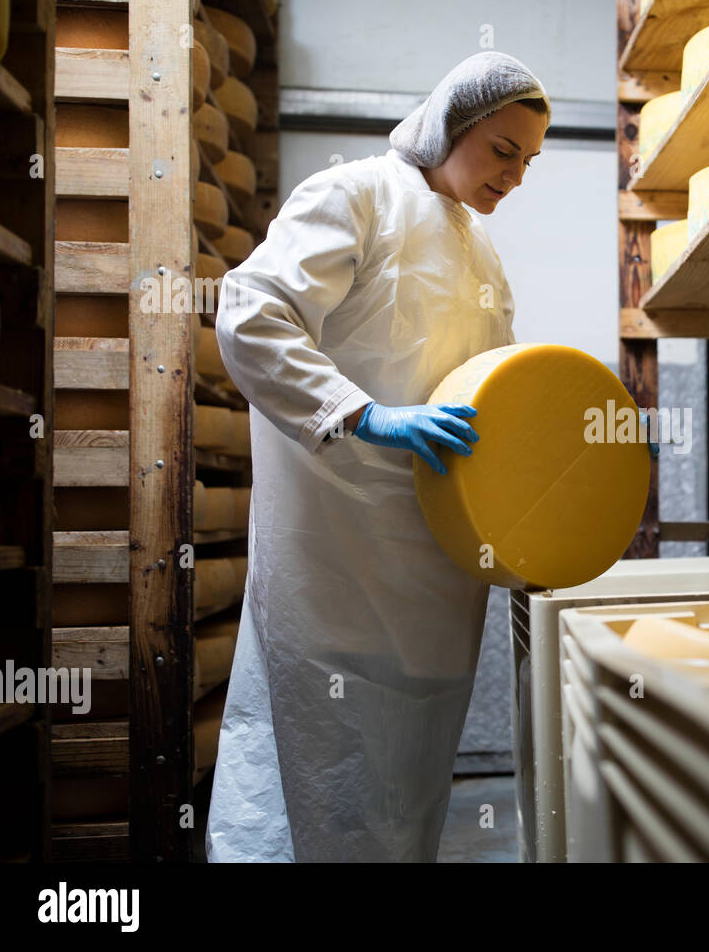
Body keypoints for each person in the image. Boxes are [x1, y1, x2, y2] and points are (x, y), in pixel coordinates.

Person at [205, 52, 551, 862]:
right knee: (317, 759)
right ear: (450, 126)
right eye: (504, 150)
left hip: (434, 567)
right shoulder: (355, 195)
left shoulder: (482, 255)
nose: (516, 177)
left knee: (410, 775)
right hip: (335, 554)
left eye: (529, 161)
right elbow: (251, 315)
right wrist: (362, 415)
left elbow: (499, 393)